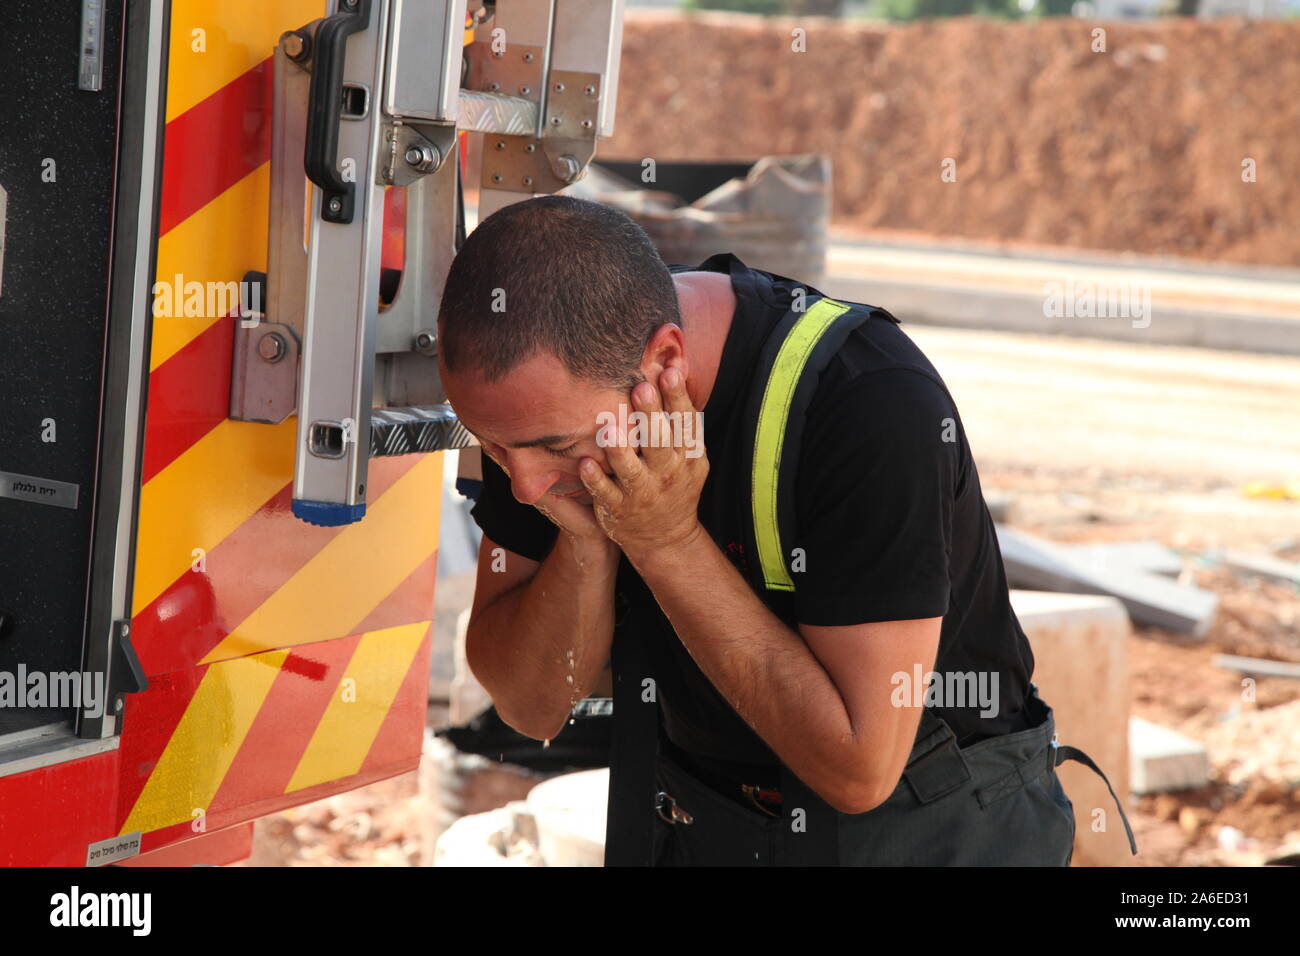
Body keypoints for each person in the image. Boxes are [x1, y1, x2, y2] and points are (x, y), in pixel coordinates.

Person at [438, 195, 1133, 866]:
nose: (526, 484)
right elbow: (531, 706)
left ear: (665, 364)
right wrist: (586, 543)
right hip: (705, 817)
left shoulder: (870, 405)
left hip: (930, 830)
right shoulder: (536, 414)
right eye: (497, 450)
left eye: (556, 448)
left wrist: (665, 543)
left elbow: (861, 770)